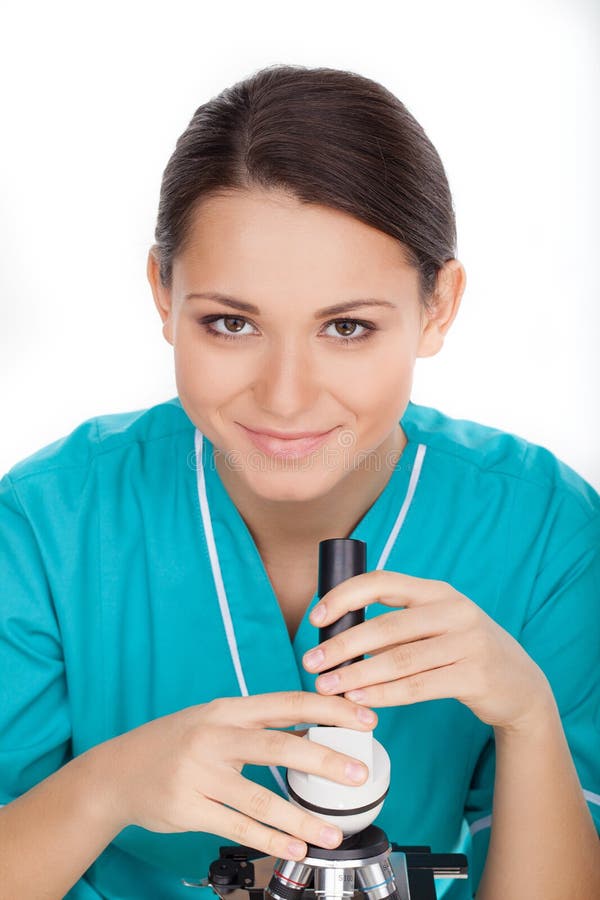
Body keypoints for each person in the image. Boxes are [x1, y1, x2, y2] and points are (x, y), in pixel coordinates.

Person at [0, 63, 598, 900]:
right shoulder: (46, 527)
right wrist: (106, 788)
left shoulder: (548, 533)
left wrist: (529, 718)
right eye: (230, 323)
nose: (285, 396)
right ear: (161, 295)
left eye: (347, 327)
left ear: (438, 308)